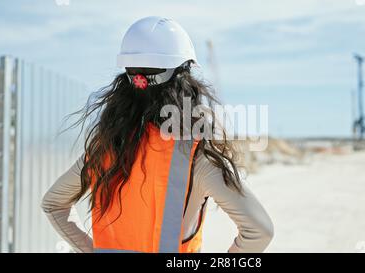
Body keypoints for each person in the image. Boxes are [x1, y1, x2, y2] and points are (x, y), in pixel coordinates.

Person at [41, 16, 273, 253]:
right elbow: (259, 231)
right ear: (185, 81)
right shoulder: (196, 155)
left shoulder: (107, 147)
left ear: (127, 80)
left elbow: (52, 205)